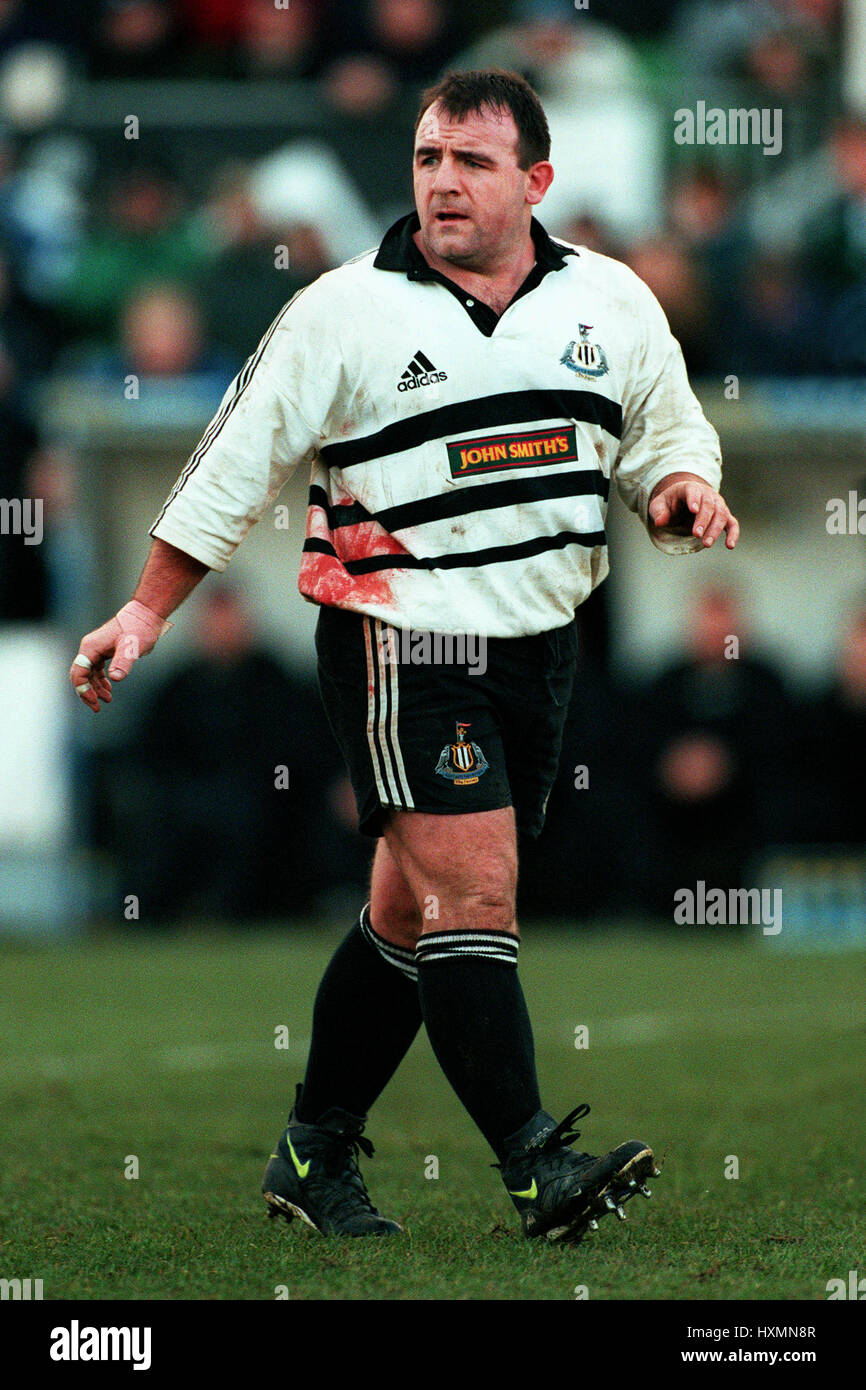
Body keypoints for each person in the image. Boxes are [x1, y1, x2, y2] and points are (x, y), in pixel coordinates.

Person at [68, 69, 739, 1244]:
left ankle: (309, 1153)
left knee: (409, 916)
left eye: (470, 163)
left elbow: (663, 431)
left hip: (542, 645)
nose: (440, 182)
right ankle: (537, 1164)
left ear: (534, 182)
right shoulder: (342, 310)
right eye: (428, 159)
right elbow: (233, 465)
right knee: (475, 893)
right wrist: (143, 611)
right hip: (400, 637)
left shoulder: (613, 300)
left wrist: (681, 486)